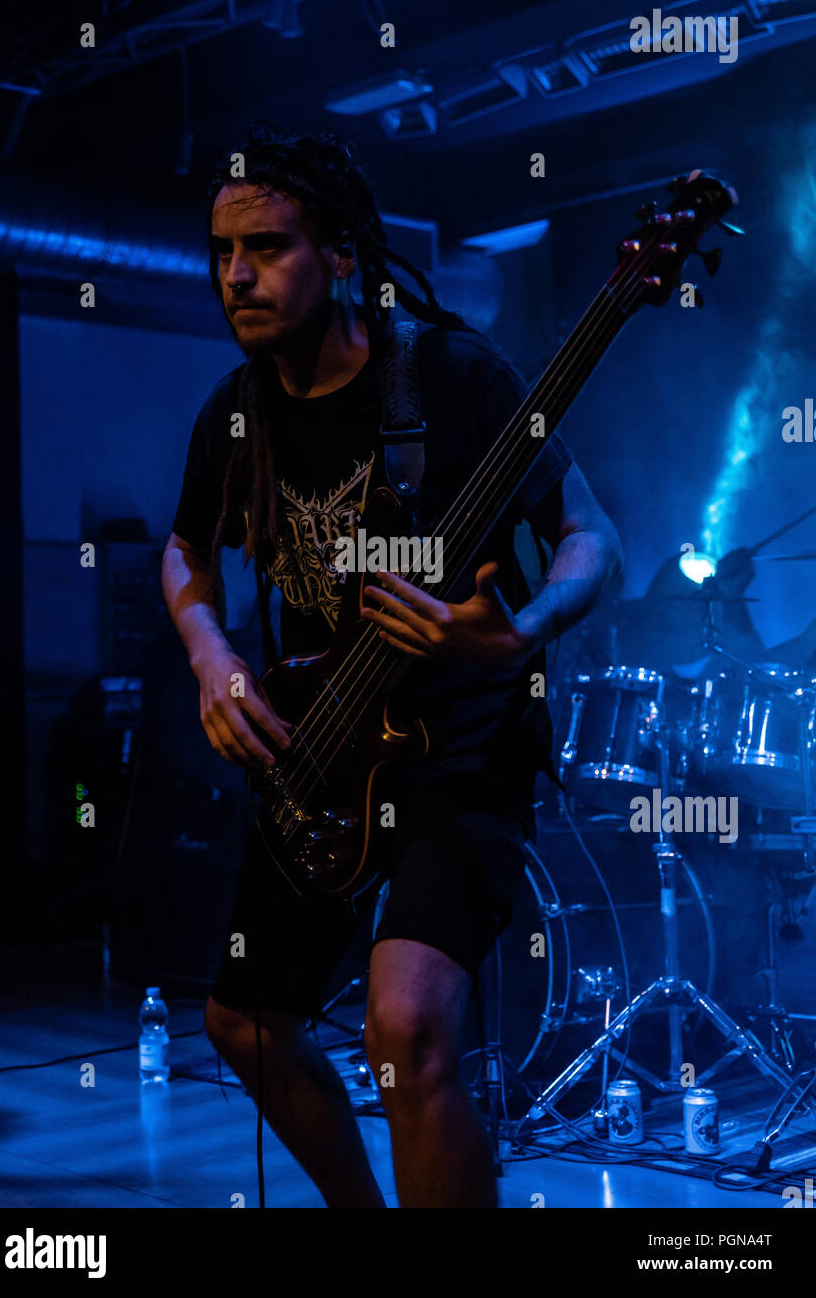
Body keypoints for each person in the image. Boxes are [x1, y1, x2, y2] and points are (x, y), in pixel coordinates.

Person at [161, 126, 622, 1207]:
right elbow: (185, 547)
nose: (237, 275)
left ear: (341, 255)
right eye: (223, 251)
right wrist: (213, 654)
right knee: (244, 1023)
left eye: (267, 247)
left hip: (460, 754)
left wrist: (518, 631)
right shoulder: (235, 412)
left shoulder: (451, 372)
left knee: (406, 1031)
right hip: (320, 753)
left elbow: (593, 535)